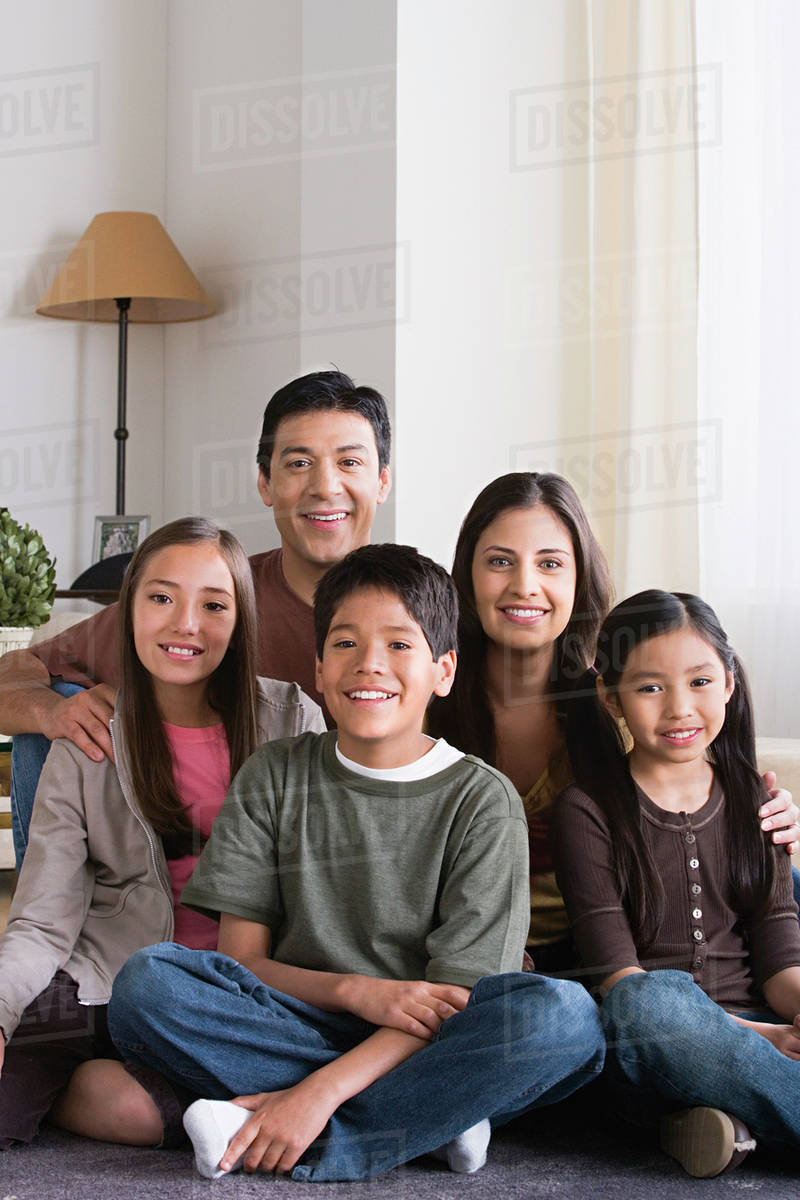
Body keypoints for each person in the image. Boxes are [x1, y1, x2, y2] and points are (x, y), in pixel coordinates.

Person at [107, 544, 605, 1183]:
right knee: (147, 983)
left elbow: (455, 997)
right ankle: (428, 1119)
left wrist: (318, 1093)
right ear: (318, 668)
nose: (369, 664)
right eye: (345, 644)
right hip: (290, 1018)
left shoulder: (482, 800)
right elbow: (242, 963)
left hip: (428, 1035)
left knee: (563, 1020)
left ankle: (313, 1124)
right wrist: (356, 991)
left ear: (443, 670)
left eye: (400, 645)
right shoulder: (274, 775)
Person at [0, 517, 324, 1151]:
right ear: (129, 614)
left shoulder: (293, 722)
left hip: (246, 992)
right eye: (160, 598)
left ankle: (186, 1097)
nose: (185, 624)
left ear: (240, 622)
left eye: (213, 604)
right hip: (110, 977)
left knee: (140, 1107)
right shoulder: (91, 735)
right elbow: (42, 921)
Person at [0, 369, 391, 864]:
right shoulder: (211, 597)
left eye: (349, 462)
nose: (324, 486)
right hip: (206, 867)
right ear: (265, 483)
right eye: (298, 464)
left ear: (382, 482)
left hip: (348, 861)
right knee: (58, 710)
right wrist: (52, 712)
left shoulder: (422, 607)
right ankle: (56, 921)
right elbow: (13, 675)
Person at [427, 472, 800, 968]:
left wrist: (773, 816)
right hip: (485, 952)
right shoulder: (426, 702)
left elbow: (699, 804)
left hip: (615, 941)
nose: (525, 586)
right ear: (467, 575)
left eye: (550, 564)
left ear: (580, 578)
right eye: (499, 562)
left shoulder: (621, 700)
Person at [553, 590, 800, 1177]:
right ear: (609, 697)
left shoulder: (754, 797)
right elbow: (618, 979)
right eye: (649, 688)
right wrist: (766, 1037)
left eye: (699, 682)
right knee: (649, 1002)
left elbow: (778, 942)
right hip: (652, 1039)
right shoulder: (587, 809)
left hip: (758, 1017)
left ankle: (724, 1121)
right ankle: (752, 1102)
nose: (679, 709)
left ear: (730, 683)